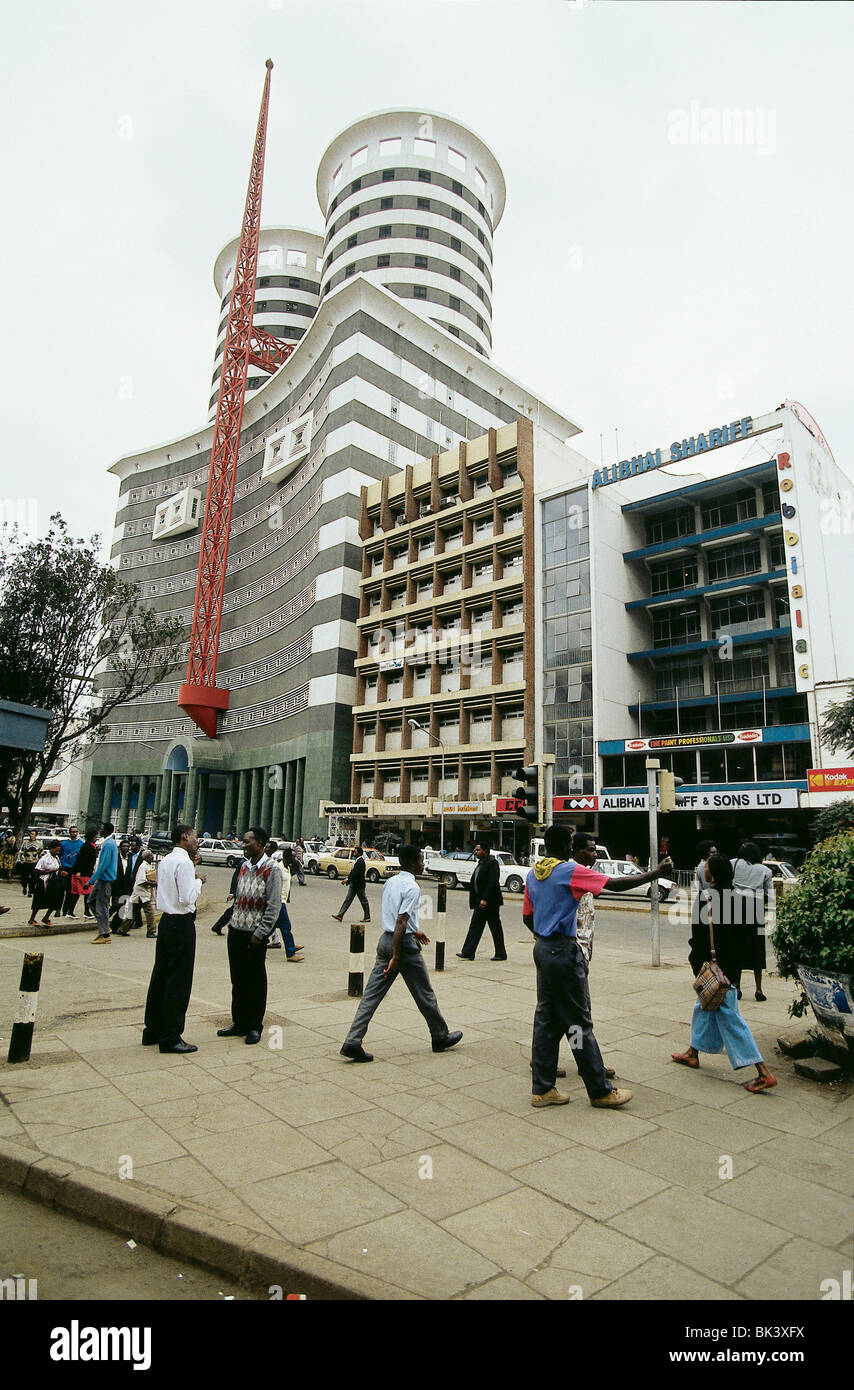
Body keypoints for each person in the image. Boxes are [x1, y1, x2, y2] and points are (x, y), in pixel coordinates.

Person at [524, 823, 673, 1108]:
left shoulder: (533, 874)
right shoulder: (569, 870)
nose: (572, 847)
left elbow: (528, 917)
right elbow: (614, 885)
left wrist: (545, 933)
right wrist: (656, 873)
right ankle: (599, 1089)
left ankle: (542, 1088)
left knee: (546, 1018)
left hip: (542, 949)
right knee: (579, 1023)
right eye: (570, 843)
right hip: (563, 951)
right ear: (564, 846)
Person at [340, 844, 462, 1063]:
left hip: (386, 941)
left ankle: (352, 1040)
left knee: (371, 995)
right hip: (402, 946)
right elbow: (400, 921)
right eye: (421, 860)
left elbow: (397, 917)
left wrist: (414, 930)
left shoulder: (391, 882)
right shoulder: (412, 887)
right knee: (424, 993)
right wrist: (397, 956)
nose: (423, 864)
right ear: (413, 863)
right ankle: (440, 1036)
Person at [672, 854, 777, 1092]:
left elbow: (697, 938)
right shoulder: (740, 900)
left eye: (707, 867)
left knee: (730, 1017)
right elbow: (748, 936)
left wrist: (697, 964)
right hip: (731, 967)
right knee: (704, 1005)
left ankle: (763, 1072)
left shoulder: (705, 898)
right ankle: (693, 1052)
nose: (704, 870)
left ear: (713, 874)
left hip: (714, 967)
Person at [142, 824, 206, 1053]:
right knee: (178, 980)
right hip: (181, 924)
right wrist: (199, 881)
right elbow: (187, 897)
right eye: (195, 836)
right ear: (184, 837)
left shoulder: (167, 860)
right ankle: (171, 1035)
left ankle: (153, 1029)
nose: (197, 840)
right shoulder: (184, 863)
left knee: (161, 974)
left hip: (167, 922)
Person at [217, 826, 281, 1045]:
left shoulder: (272, 869)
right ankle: (239, 1022)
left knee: (254, 981)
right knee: (238, 980)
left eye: (247, 842)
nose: (243, 845)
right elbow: (238, 899)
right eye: (243, 842)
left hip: (254, 935)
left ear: (261, 844)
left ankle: (254, 1025)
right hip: (236, 931)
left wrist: (261, 933)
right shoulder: (243, 866)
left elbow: (274, 906)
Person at [731, 841, 774, 1002]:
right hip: (755, 910)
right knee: (757, 948)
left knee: (737, 947)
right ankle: (758, 988)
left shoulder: (733, 863)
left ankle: (738, 986)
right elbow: (769, 896)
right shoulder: (765, 870)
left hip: (734, 907)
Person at [457, 840, 506, 961]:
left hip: (490, 902)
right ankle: (468, 952)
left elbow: (492, 883)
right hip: (480, 901)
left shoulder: (492, 863)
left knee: (495, 927)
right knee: (475, 925)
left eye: (478, 850)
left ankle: (501, 953)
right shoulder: (481, 863)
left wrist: (485, 899)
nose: (476, 852)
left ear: (485, 851)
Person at [265, 842, 304, 960]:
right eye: (293, 856)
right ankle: (290, 953)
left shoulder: (287, 868)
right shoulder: (278, 868)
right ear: (287, 857)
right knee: (286, 926)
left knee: (271, 927)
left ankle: (256, 944)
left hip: (282, 901)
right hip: (277, 902)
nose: (295, 858)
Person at [118, 849, 157, 937]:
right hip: (141, 893)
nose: (152, 857)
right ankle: (151, 931)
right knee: (150, 912)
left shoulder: (148, 866)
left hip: (141, 893)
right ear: (146, 857)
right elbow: (141, 880)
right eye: (151, 856)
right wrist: (152, 883)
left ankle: (123, 929)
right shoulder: (143, 866)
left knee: (133, 912)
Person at [332, 844, 370, 923]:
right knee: (348, 900)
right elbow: (352, 873)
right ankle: (340, 915)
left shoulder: (360, 862)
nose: (353, 853)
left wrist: (348, 880)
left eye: (355, 852)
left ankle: (367, 916)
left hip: (359, 885)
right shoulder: (357, 861)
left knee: (363, 901)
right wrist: (347, 879)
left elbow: (356, 874)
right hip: (354, 885)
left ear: (359, 853)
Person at [28, 840, 63, 926]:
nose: (57, 852)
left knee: (54, 900)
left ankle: (46, 917)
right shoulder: (44, 858)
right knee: (39, 901)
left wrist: (60, 872)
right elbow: (36, 871)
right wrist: (49, 871)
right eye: (56, 850)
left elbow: (58, 868)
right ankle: (32, 919)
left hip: (53, 881)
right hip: (43, 881)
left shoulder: (57, 858)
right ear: (51, 849)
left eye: (59, 850)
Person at [57, 825, 85, 917]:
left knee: (71, 892)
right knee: (61, 890)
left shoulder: (81, 844)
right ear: (70, 833)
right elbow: (59, 856)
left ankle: (67, 911)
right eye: (73, 832)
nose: (75, 833)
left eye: (76, 832)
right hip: (65, 869)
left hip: (75, 870)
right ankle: (58, 909)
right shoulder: (64, 844)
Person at [71, 828, 99, 918]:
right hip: (83, 873)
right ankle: (75, 912)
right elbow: (81, 859)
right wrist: (79, 871)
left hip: (87, 873)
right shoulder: (87, 846)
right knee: (81, 893)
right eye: (95, 836)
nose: (96, 838)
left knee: (86, 893)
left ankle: (85, 912)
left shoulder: (92, 846)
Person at [18, 831, 41, 898]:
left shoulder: (39, 843)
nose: (31, 835)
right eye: (30, 834)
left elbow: (40, 853)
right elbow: (22, 852)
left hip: (34, 863)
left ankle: (30, 891)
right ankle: (24, 886)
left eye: (32, 834)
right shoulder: (26, 843)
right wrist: (23, 860)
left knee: (33, 878)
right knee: (24, 877)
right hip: (26, 862)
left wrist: (39, 862)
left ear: (36, 835)